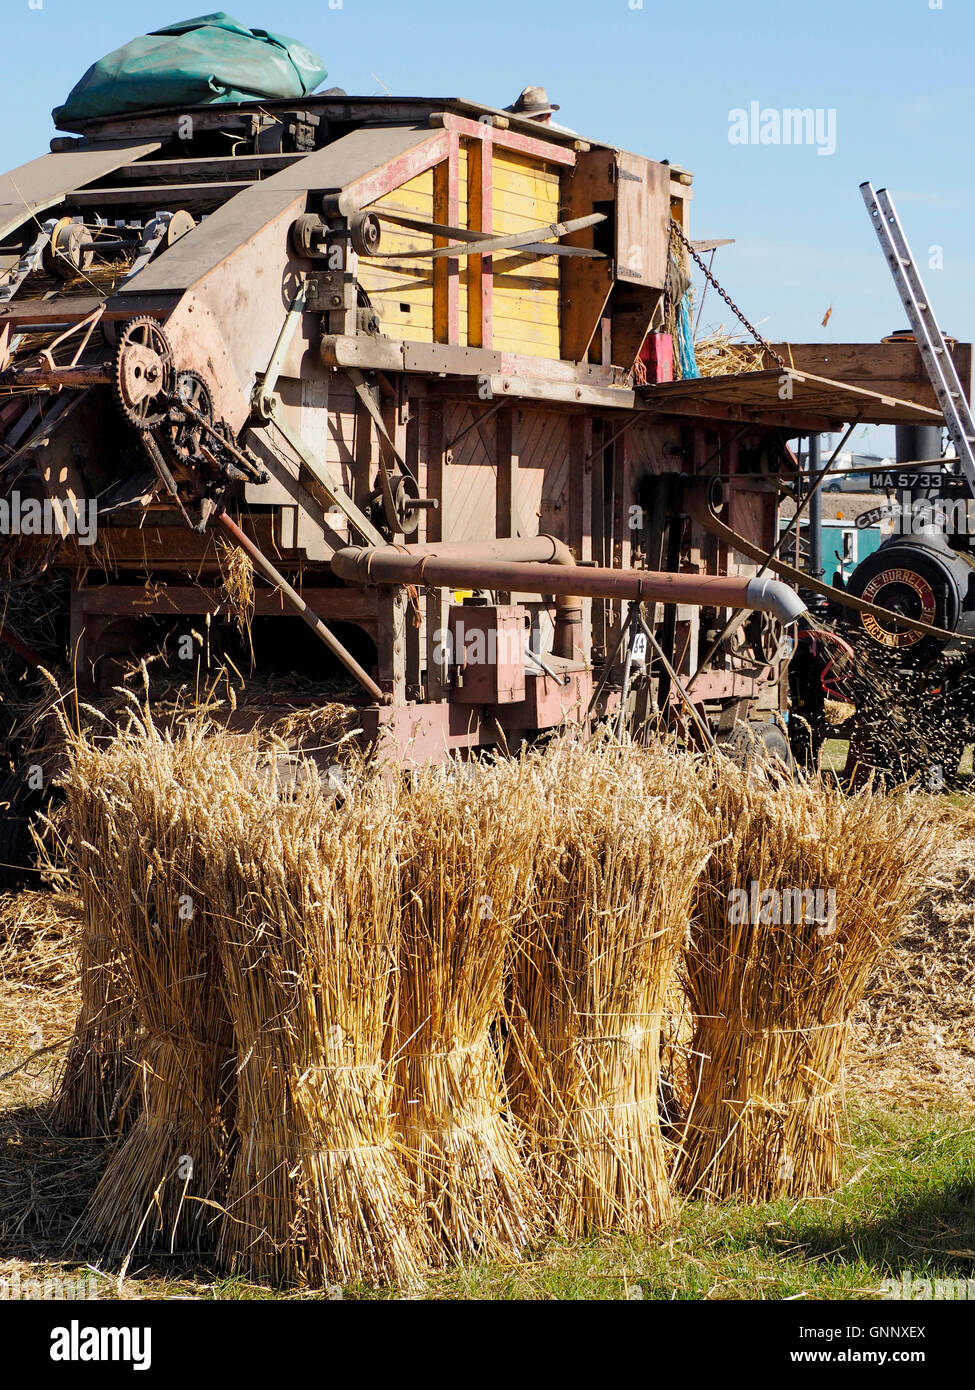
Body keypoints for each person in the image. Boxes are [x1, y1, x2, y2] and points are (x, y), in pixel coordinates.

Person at [504, 86, 576, 134]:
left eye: (537, 116)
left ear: (547, 116)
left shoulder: (560, 132)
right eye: (525, 119)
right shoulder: (507, 120)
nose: (530, 122)